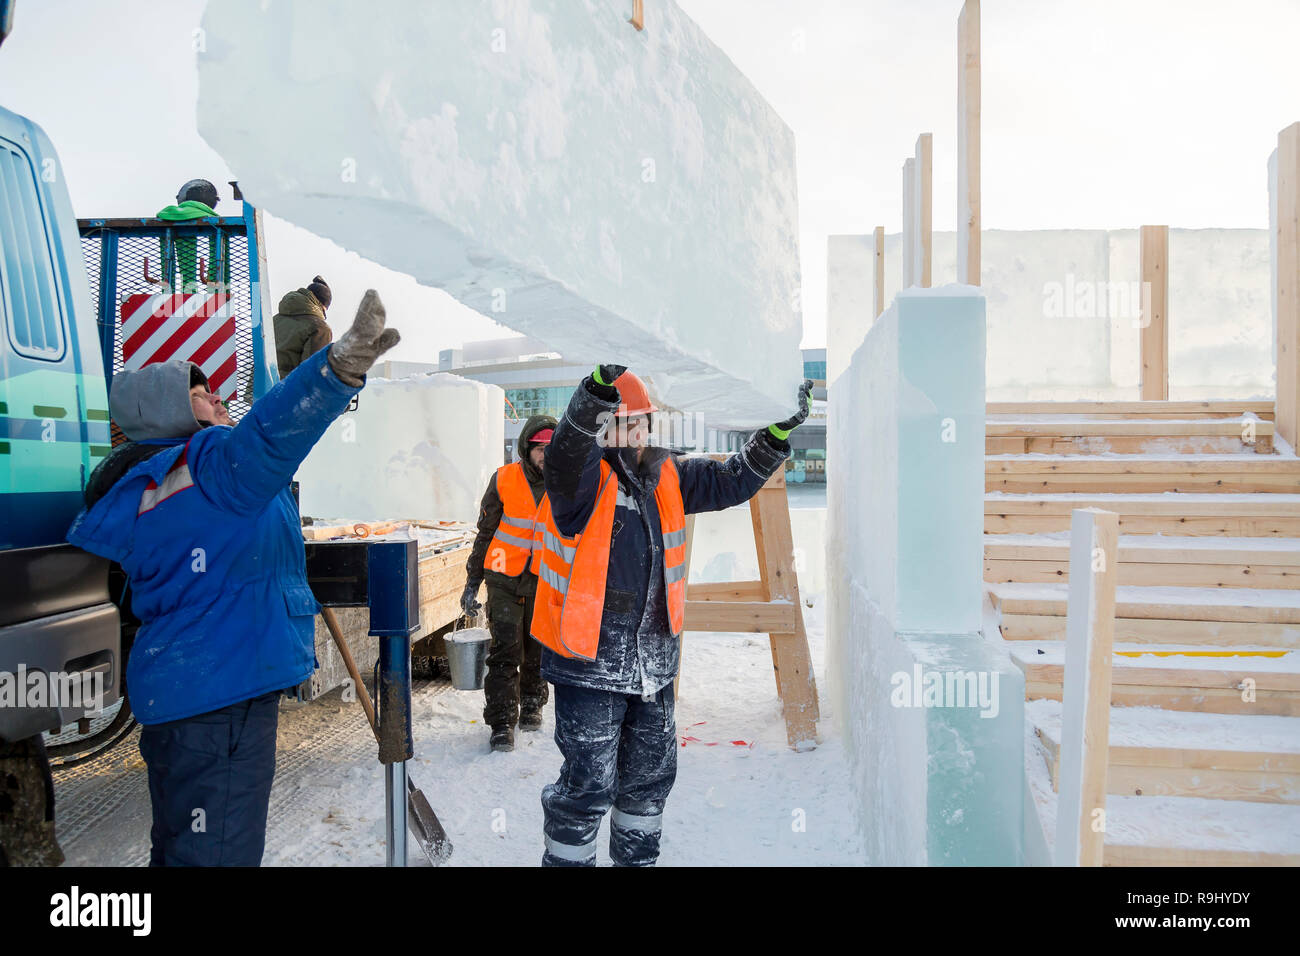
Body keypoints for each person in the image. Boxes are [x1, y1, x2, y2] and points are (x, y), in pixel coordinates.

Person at [66, 291, 400, 866]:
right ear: (169, 414)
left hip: (183, 693)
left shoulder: (152, 480)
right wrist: (335, 370)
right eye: (201, 394)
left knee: (185, 848)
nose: (218, 398)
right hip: (221, 693)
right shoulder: (210, 465)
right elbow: (271, 434)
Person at [532, 364, 813, 866]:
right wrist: (594, 392)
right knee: (587, 786)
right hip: (589, 662)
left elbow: (730, 481)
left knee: (648, 784)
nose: (637, 434)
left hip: (653, 665)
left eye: (642, 422)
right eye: (625, 424)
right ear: (602, 428)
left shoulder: (667, 474)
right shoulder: (577, 481)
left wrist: (773, 435)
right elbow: (568, 450)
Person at [461, 415, 557, 752]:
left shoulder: (566, 482)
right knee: (505, 650)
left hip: (544, 579)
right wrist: (472, 581)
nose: (545, 454)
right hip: (503, 578)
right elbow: (485, 533)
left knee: (537, 650)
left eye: (551, 447)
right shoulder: (504, 479)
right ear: (526, 449)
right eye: (539, 448)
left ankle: (532, 703)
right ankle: (502, 722)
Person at [273, 276, 334, 379]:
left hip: (256, 384)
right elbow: (311, 371)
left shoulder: (275, 319)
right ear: (321, 306)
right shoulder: (320, 328)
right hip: (286, 387)